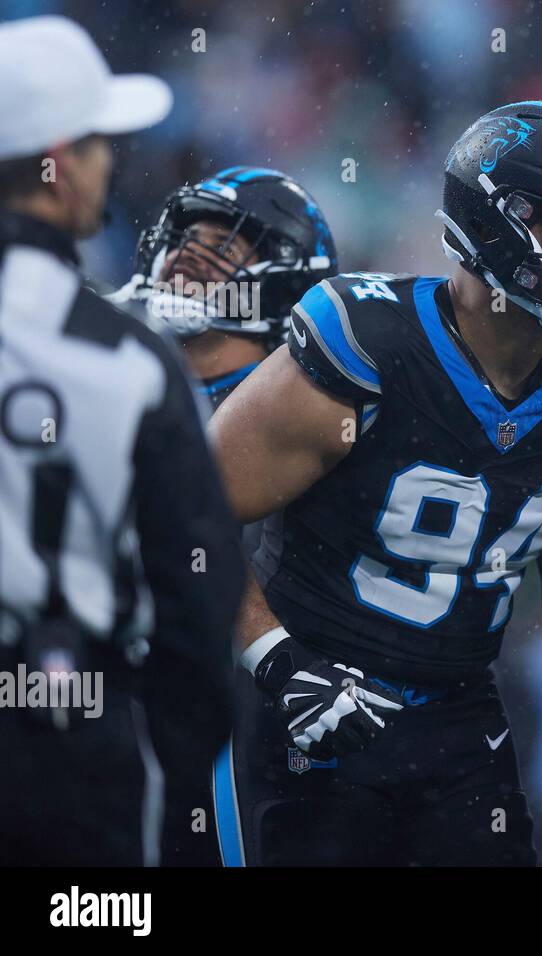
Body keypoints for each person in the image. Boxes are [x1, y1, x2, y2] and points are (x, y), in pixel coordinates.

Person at [206, 101, 542, 865]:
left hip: (458, 721)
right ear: (494, 224)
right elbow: (188, 515)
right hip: (310, 708)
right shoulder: (372, 344)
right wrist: (280, 665)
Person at [0, 14, 243, 865]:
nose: (111, 162)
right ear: (57, 162)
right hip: (75, 744)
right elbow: (198, 599)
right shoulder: (130, 358)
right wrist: (165, 761)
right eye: (101, 141)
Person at [110, 166, 339, 865]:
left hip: (234, 712)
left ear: (287, 280)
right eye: (187, 232)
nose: (190, 252)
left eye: (227, 243)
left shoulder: (310, 414)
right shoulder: (104, 364)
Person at [111, 167, 339, 408]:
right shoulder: (121, 370)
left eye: (223, 248)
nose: (189, 252)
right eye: (186, 237)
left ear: (281, 291)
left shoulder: (287, 416)